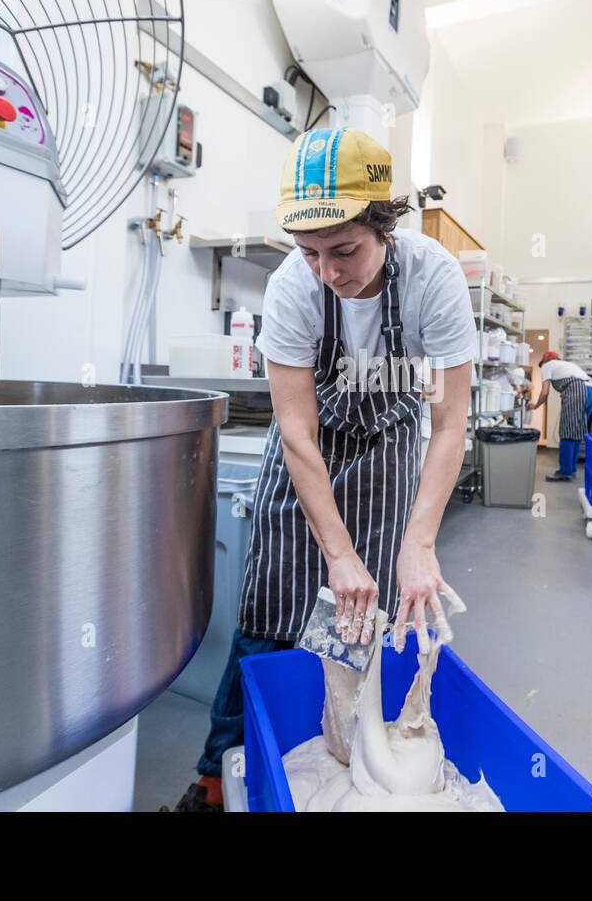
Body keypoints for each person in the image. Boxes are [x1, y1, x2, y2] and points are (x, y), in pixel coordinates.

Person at [172, 127, 475, 812]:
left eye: (344, 251)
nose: (328, 273)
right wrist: (335, 552)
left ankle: (348, 747)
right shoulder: (294, 289)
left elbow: (451, 422)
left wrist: (420, 543)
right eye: (309, 254)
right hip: (306, 459)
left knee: (362, 620)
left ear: (385, 225)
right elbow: (298, 431)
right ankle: (218, 780)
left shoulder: (433, 279)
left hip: (389, 452)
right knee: (269, 618)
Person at [528, 351, 592, 482]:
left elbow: (545, 392)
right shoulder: (566, 364)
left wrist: (536, 405)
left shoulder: (547, 365)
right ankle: (571, 470)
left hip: (577, 391)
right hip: (591, 391)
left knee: (567, 433)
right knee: (576, 434)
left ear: (544, 360)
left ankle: (564, 472)